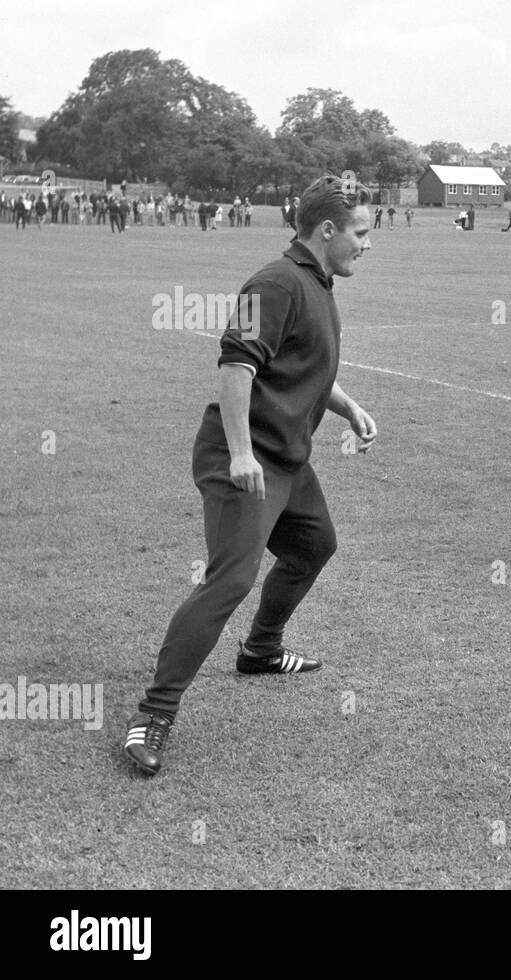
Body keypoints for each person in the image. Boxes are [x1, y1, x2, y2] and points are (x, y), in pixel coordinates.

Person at [122, 175, 379, 776]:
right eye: (361, 234)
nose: (367, 246)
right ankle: (153, 713)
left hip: (286, 457)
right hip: (244, 456)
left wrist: (348, 405)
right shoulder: (278, 281)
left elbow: (297, 365)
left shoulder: (315, 282)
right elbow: (238, 368)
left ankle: (260, 651)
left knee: (314, 546)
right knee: (229, 580)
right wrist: (241, 456)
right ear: (326, 230)